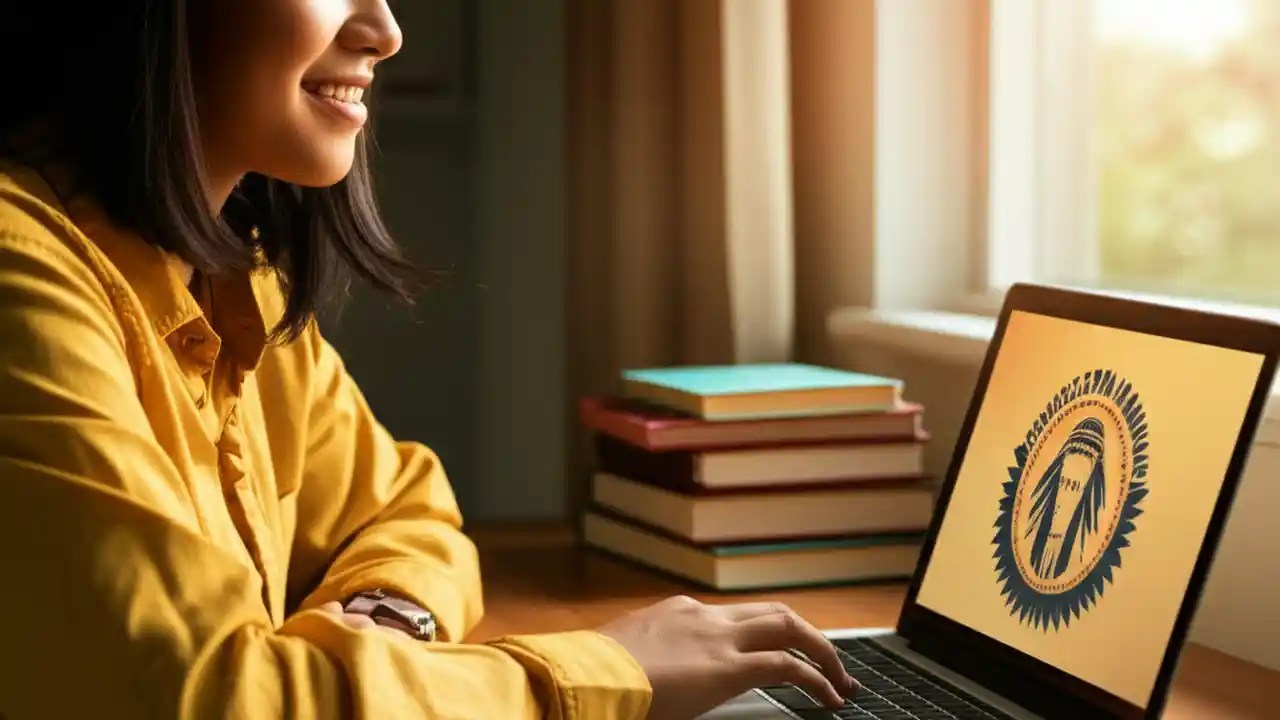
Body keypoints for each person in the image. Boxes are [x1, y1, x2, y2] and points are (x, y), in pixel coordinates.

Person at [0, 2, 860, 718]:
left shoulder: (232, 281)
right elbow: (217, 700)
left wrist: (382, 622)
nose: (384, 27)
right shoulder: (20, 277)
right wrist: (603, 670)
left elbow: (406, 510)